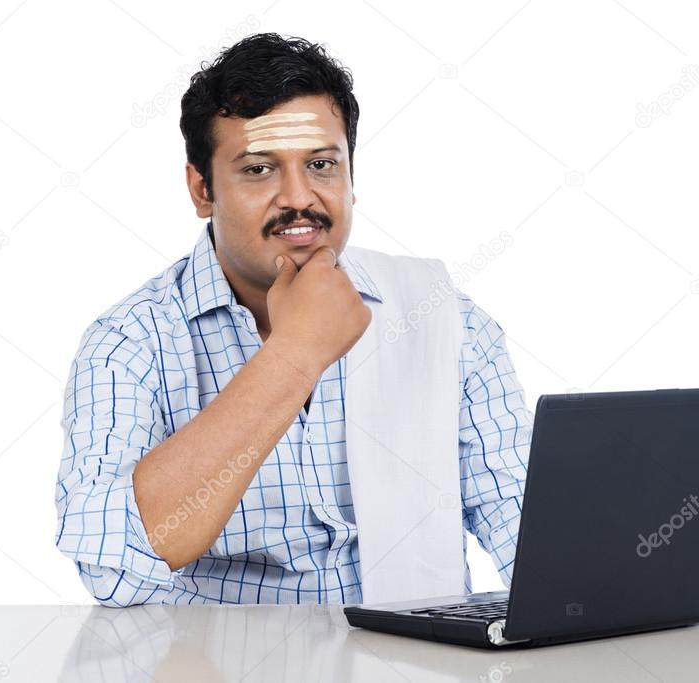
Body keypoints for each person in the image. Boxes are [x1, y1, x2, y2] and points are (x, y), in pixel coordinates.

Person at [54, 33, 532, 607]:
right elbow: (116, 568)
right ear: (203, 189)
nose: (298, 197)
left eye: (322, 165)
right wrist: (294, 354)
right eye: (259, 169)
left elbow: (528, 530)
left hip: (413, 663)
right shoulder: (131, 342)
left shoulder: (447, 320)